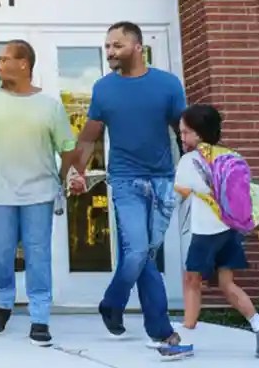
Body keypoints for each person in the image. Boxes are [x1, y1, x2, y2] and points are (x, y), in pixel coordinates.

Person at [70, 21, 186, 350]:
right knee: (138, 251)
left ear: (137, 47)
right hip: (124, 179)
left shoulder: (167, 85)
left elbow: (183, 132)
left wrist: (200, 166)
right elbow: (89, 137)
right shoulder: (104, 88)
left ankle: (111, 304)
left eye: (116, 46)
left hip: (162, 179)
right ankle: (161, 329)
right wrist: (77, 172)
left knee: (143, 254)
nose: (110, 52)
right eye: (107, 46)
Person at [0, 40, 77, 347]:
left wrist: (60, 178)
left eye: (4, 59)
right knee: (1, 254)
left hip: (39, 192)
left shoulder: (50, 106)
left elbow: (67, 147)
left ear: (24, 64)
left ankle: (39, 317)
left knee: (38, 255)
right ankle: (3, 304)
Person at [158, 104, 259, 360]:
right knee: (226, 283)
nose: (182, 137)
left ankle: (184, 339)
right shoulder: (232, 156)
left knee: (191, 281)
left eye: (185, 132)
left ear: (199, 135)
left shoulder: (189, 161)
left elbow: (177, 195)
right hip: (230, 230)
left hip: (205, 233)